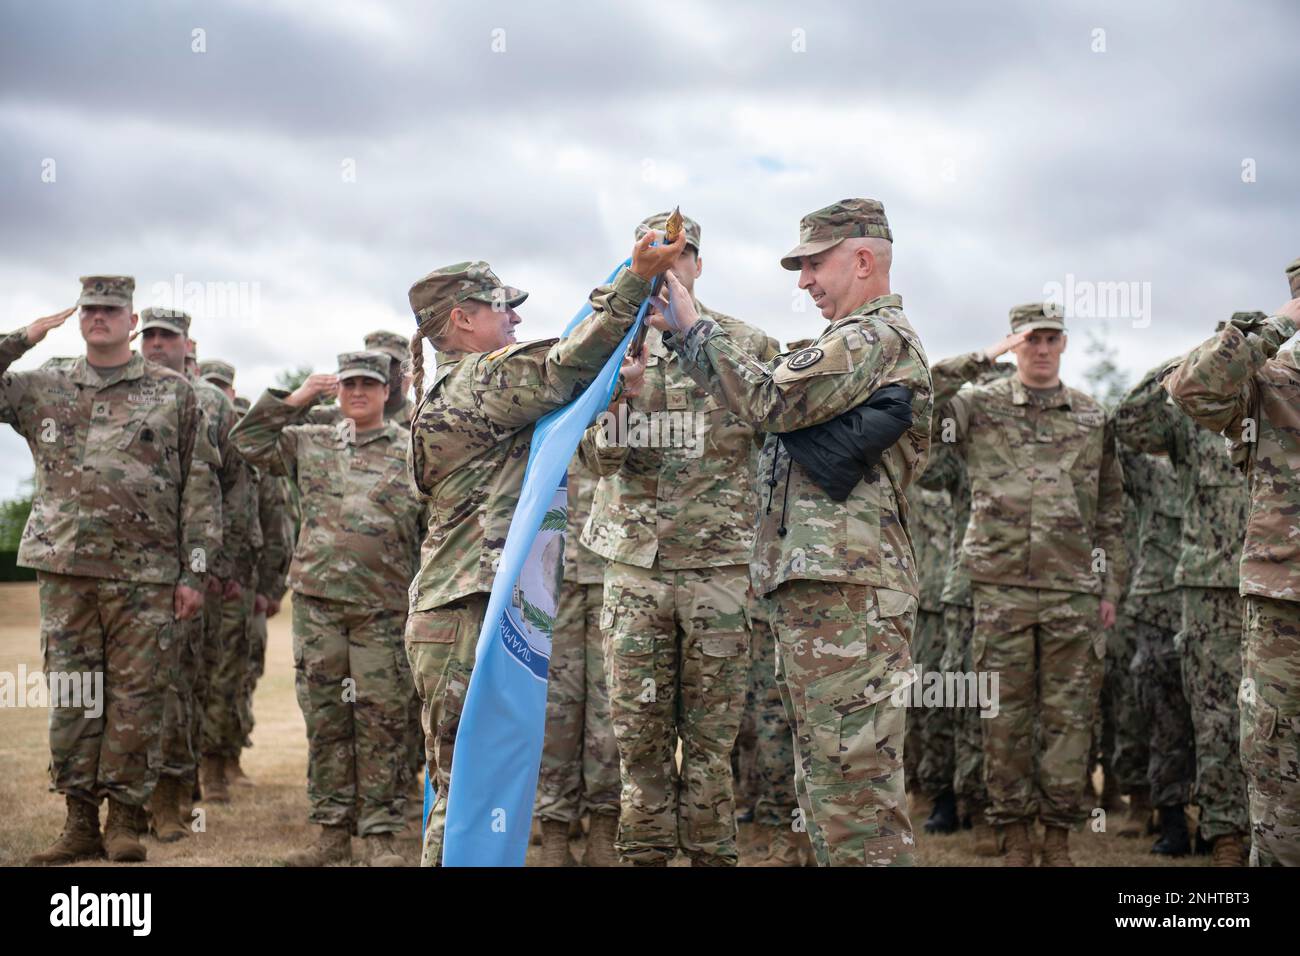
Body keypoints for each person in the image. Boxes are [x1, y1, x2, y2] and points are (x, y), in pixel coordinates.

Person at [649, 198, 933, 866]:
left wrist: (693, 329)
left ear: (863, 260)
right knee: (833, 788)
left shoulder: (870, 338)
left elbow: (770, 400)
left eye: (814, 264)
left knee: (855, 795)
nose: (803, 281)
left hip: (849, 594)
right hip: (827, 593)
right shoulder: (847, 342)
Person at [404, 235, 683, 867]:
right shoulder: (474, 382)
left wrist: (613, 393)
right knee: (466, 790)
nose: (516, 317)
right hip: (463, 609)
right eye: (504, 306)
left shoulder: (493, 397)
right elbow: (563, 366)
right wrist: (635, 281)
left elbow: (589, 448)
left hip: (475, 607)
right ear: (463, 319)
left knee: (477, 786)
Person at [578, 210, 779, 867]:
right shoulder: (606, 345)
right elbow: (595, 463)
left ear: (698, 262)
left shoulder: (746, 345)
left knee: (713, 738)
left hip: (718, 570)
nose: (669, 265)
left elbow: (776, 432)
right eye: (654, 254)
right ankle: (645, 855)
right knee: (639, 737)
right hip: (635, 571)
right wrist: (619, 401)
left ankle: (713, 855)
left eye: (681, 254)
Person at [2, 277, 209, 864]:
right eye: (90, 309)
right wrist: (22, 337)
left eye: (110, 310)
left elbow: (199, 485)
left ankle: (124, 821)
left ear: (131, 318)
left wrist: (193, 571)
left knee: (136, 699)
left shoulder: (173, 393)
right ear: (80, 315)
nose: (99, 318)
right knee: (74, 696)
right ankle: (78, 822)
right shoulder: (44, 383)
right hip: (65, 568)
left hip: (145, 576)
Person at [928, 304, 1126, 866]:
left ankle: (1058, 837)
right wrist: (981, 358)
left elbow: (1112, 507)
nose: (1041, 349)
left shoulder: (1092, 415)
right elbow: (921, 399)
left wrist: (1109, 586)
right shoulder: (977, 406)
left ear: (1064, 344)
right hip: (998, 586)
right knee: (1002, 717)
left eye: (1051, 339)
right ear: (1017, 345)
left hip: (1072, 590)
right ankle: (1014, 835)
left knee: (1070, 719)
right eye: (1031, 339)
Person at [231, 350, 425, 866]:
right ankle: (331, 833)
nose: (357, 392)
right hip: (319, 608)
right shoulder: (310, 441)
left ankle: (380, 834)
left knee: (382, 721)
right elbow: (246, 442)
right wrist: (295, 400)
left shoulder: (411, 450)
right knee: (327, 720)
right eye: (348, 384)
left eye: (368, 384)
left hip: (383, 610)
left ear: (387, 392)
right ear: (337, 391)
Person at [1164, 285, 1300, 866]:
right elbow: (1191, 389)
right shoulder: (1273, 376)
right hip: (1284, 609)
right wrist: (1275, 325)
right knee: (1278, 789)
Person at [1113, 334, 1253, 865]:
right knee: (1200, 715)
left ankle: (1259, 825)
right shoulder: (1190, 424)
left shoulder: (1278, 401)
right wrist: (1184, 361)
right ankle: (1218, 832)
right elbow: (1128, 421)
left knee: (1264, 717)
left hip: (1271, 584)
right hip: (1202, 588)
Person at [136, 306, 250, 836]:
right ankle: (125, 798)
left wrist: (215, 566)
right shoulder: (119, 392)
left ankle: (175, 795)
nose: (157, 344)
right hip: (121, 570)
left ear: (188, 344)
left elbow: (234, 486)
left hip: (184, 570)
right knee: (123, 692)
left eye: (168, 336)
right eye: (150, 335)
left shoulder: (209, 403)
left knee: (183, 685)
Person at [534, 453, 620, 866]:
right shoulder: (547, 403)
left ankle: (604, 829)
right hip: (551, 579)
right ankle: (554, 833)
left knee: (611, 711)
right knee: (556, 712)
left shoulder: (624, 398)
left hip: (617, 573)